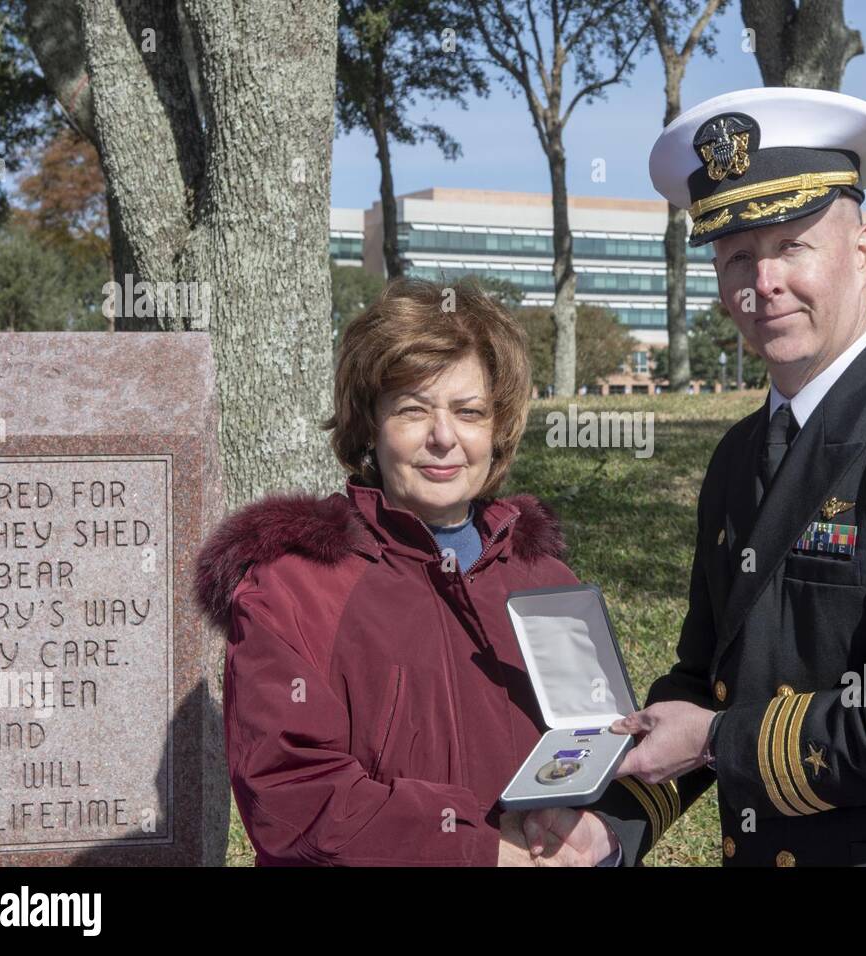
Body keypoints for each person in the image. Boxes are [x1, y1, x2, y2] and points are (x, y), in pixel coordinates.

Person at [523, 87, 866, 867]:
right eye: (736, 255)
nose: (761, 282)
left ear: (863, 252)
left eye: (792, 245)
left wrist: (720, 741)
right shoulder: (739, 456)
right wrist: (612, 823)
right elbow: (706, 683)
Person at [193, 277, 628, 866]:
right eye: (413, 410)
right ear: (368, 425)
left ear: (497, 429)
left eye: (469, 412)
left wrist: (589, 830)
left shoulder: (543, 576)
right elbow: (291, 793)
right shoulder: (292, 588)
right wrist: (481, 852)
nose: (443, 437)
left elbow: (596, 739)